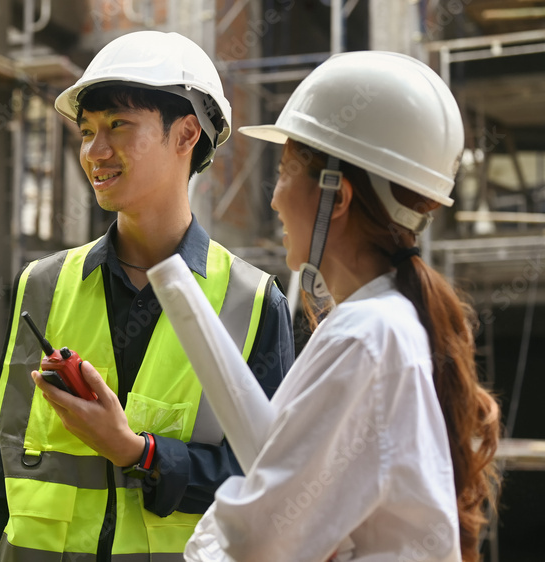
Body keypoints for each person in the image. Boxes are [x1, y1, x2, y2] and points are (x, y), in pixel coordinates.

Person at [0, 31, 294, 561]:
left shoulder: (253, 302)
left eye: (118, 126)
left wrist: (139, 454)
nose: (94, 152)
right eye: (87, 131)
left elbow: (270, 481)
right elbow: (6, 456)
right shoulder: (42, 284)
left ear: (186, 134)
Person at [183, 51, 500, 562]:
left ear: (338, 195)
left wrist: (214, 539)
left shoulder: (364, 336)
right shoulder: (392, 322)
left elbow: (258, 545)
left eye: (285, 171)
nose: (273, 200)